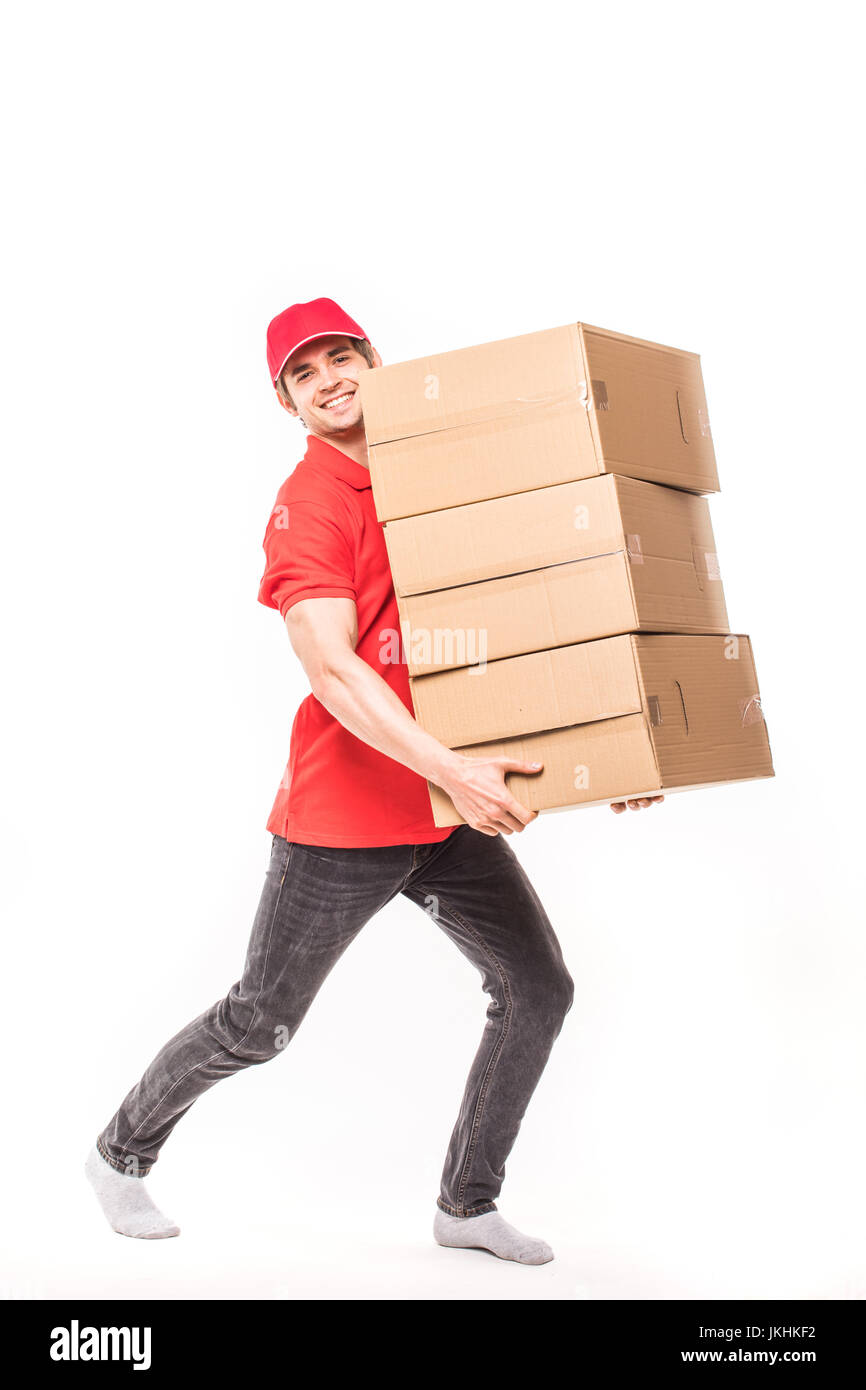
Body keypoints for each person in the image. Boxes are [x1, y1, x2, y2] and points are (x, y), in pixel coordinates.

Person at [85, 297, 663, 1265]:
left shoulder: (438, 473)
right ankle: (119, 1154)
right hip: (344, 818)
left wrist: (612, 747)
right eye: (305, 374)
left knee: (536, 986)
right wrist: (448, 769)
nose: (331, 379)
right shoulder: (308, 504)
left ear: (379, 361)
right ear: (287, 404)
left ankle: (464, 1206)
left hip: (441, 808)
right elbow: (331, 667)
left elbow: (521, 619)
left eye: (344, 356)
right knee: (258, 1023)